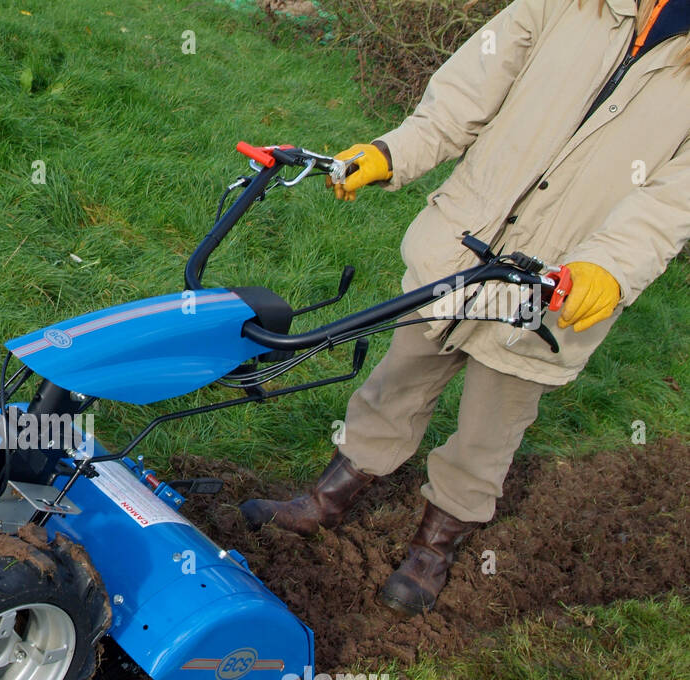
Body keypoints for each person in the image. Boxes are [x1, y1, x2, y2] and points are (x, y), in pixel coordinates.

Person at [243, 0, 690, 615]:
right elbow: (464, 96)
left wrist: (608, 269)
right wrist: (391, 152)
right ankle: (328, 498)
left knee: (491, 425)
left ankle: (435, 545)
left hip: (555, 286)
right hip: (461, 250)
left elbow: (671, 202)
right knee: (397, 379)